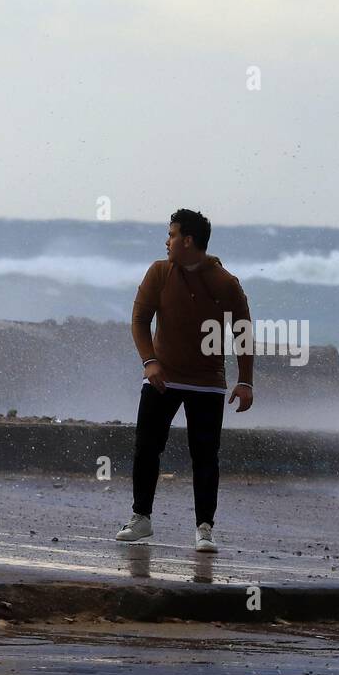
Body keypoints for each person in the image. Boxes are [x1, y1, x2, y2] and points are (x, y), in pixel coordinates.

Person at [117, 208, 254, 553]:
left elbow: (243, 333)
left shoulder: (226, 283)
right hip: (162, 377)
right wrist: (149, 362)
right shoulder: (159, 273)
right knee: (147, 447)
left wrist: (246, 381)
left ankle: (204, 528)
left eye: (172, 235)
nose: (167, 241)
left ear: (188, 240)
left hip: (207, 383)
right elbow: (139, 320)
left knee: (205, 456)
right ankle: (141, 517)